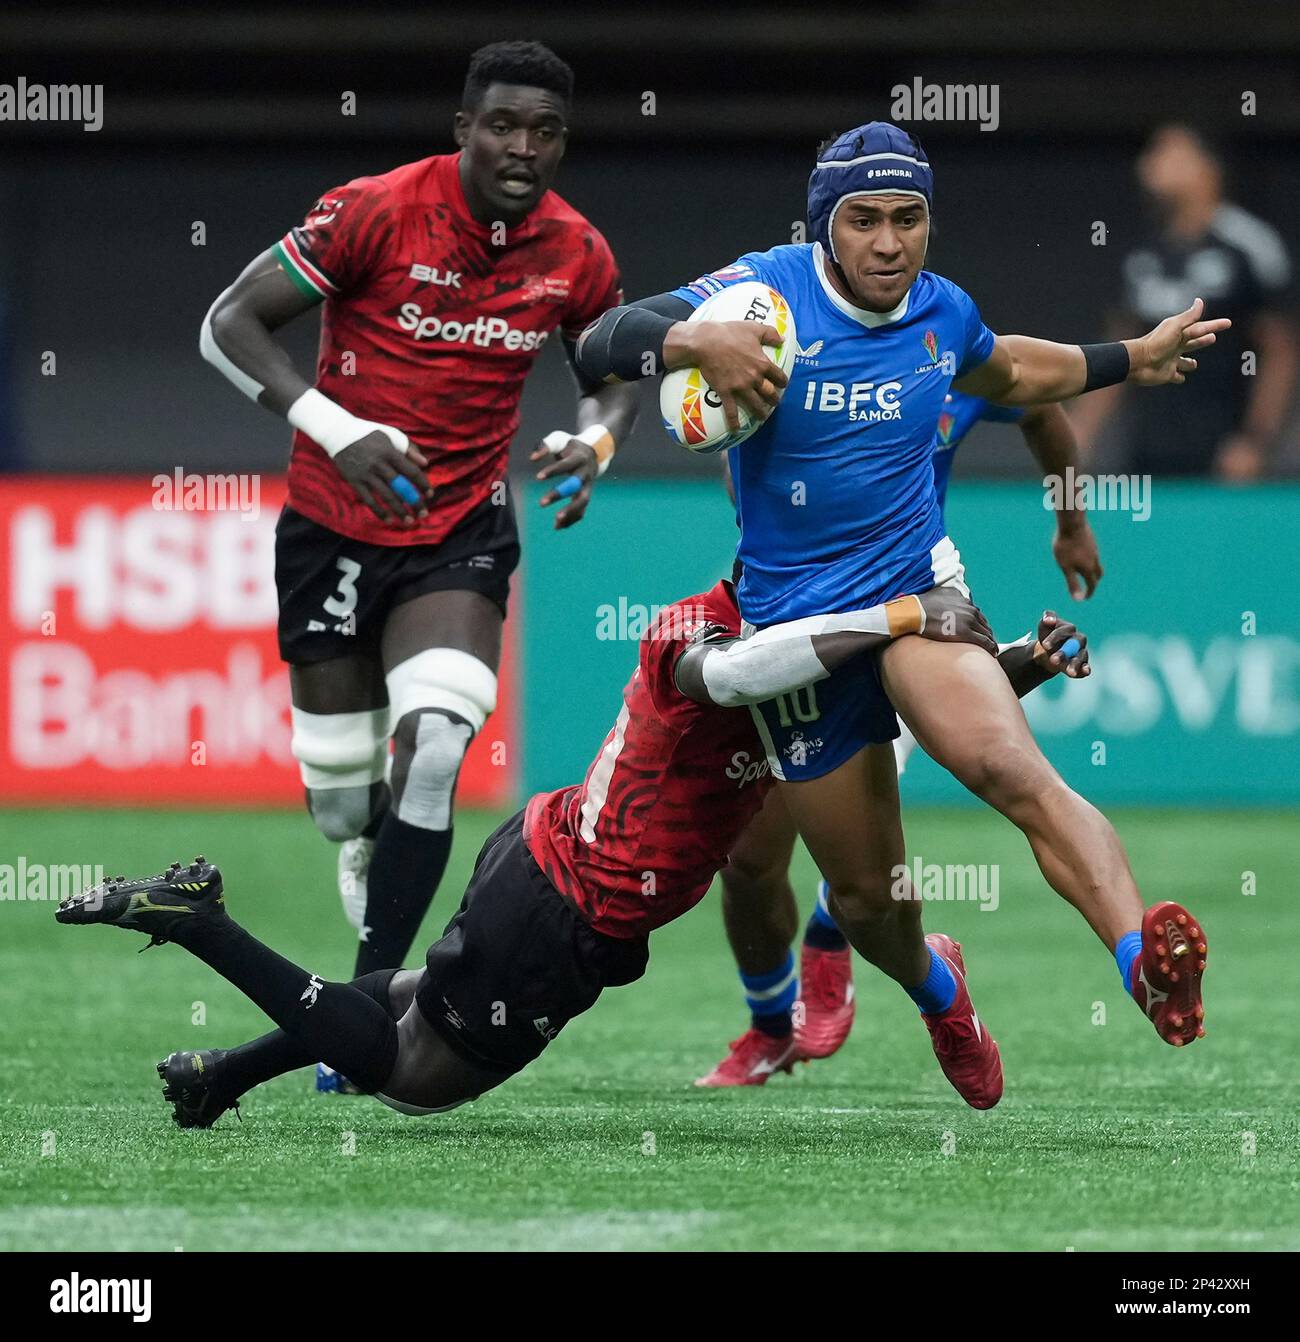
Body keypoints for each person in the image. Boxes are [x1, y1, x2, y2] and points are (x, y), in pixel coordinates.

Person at [571, 123, 1220, 1102]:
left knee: (1013, 770)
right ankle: (938, 988)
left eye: (907, 218)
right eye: (863, 219)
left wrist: (1132, 355)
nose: (887, 241)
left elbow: (1015, 374)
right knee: (869, 901)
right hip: (792, 632)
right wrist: (691, 337)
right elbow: (595, 345)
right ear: (825, 224)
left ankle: (1140, 960)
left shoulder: (941, 313)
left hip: (917, 596)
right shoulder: (766, 290)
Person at [59, 579, 1054, 1122]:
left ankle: (219, 1079)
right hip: (561, 914)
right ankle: (201, 922)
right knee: (408, 1076)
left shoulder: (789, 667)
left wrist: (1012, 672)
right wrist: (897, 613)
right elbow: (740, 669)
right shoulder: (698, 646)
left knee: (409, 995)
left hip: (536, 859)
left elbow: (884, 723)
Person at [198, 41, 638, 1009]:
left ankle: (364, 1005)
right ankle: (365, 839)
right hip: (331, 525)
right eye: (503, 125)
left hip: (461, 531)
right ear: (465, 130)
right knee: (342, 801)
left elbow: (610, 378)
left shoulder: (577, 251)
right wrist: (337, 427)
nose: (523, 147)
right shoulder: (375, 208)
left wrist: (594, 446)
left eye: (546, 131)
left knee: (437, 745)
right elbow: (226, 322)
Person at [700, 392, 1104, 1086]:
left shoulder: (951, 356)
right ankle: (770, 1026)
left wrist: (1072, 523)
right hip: (785, 609)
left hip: (900, 612)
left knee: (865, 868)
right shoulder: (797, 361)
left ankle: (904, 973)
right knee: (747, 860)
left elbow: (1041, 401)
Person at [1071, 123, 1297, 480]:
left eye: (1168, 152)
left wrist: (1255, 440)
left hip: (1224, 453)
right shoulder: (1145, 253)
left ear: (1208, 167)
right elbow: (1117, 350)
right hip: (1148, 449)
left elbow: (1279, 350)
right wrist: (1079, 434)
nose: (1149, 164)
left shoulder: (1249, 245)